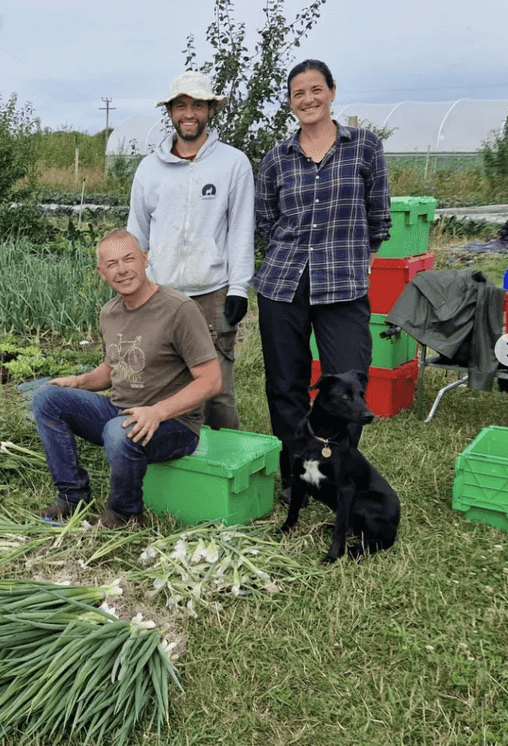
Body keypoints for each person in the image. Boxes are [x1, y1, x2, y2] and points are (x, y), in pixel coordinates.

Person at [252, 59, 392, 495]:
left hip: (344, 285)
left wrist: (358, 259)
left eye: (316, 89)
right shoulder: (277, 157)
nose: (308, 99)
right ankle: (297, 474)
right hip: (283, 283)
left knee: (349, 379)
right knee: (286, 383)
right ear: (289, 102)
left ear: (331, 91)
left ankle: (335, 472)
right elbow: (263, 222)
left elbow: (379, 216)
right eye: (298, 93)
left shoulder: (364, 146)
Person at [32, 229, 222, 528]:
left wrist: (157, 412)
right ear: (101, 273)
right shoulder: (110, 312)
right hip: (120, 412)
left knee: (118, 431)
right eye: (112, 264)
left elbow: (211, 380)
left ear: (144, 260)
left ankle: (124, 515)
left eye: (129, 259)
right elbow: (112, 368)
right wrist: (79, 381)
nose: (122, 270)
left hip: (174, 425)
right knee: (47, 398)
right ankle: (72, 497)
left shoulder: (180, 310)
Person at [127, 71, 255, 431]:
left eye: (197, 105)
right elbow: (137, 235)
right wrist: (137, 289)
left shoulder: (233, 164)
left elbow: (242, 230)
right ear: (169, 112)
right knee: (161, 383)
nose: (189, 113)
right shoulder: (149, 169)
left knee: (217, 389)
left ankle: (229, 473)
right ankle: (171, 464)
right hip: (161, 295)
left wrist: (238, 288)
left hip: (211, 293)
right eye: (181, 105)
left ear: (210, 111)